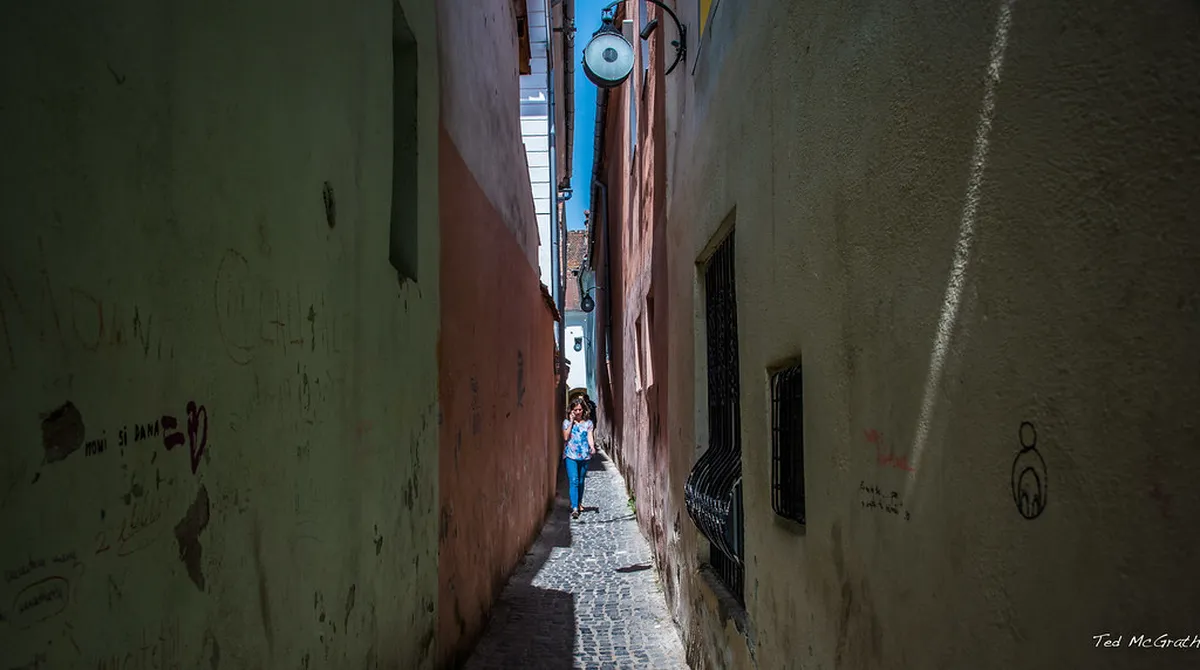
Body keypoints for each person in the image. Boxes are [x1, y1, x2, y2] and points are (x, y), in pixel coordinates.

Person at [562, 397, 596, 519]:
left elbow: (590, 436)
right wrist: (571, 422)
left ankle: (578, 502)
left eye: (580, 409)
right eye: (575, 410)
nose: (577, 412)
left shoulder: (588, 423)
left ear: (583, 410)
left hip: (584, 455)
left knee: (581, 481)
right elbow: (566, 437)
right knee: (574, 480)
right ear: (571, 410)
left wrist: (592, 447)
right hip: (570, 455)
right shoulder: (566, 422)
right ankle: (575, 507)